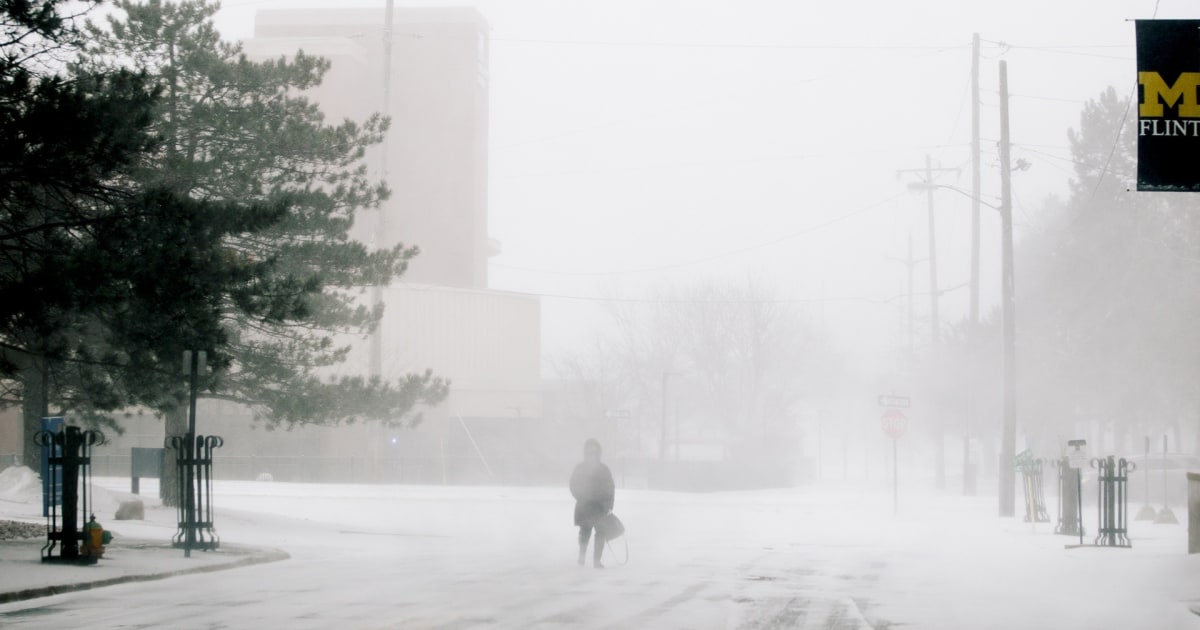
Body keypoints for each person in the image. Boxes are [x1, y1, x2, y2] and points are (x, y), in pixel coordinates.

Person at [569, 438, 615, 568]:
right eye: (590, 452)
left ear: (599, 453)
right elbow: (573, 486)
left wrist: (609, 505)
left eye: (595, 452)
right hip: (585, 506)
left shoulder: (604, 469)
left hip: (600, 507)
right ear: (586, 453)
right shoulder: (580, 468)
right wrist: (582, 497)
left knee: (601, 533)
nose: (592, 455)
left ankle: (597, 561)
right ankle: (581, 557)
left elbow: (610, 488)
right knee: (585, 532)